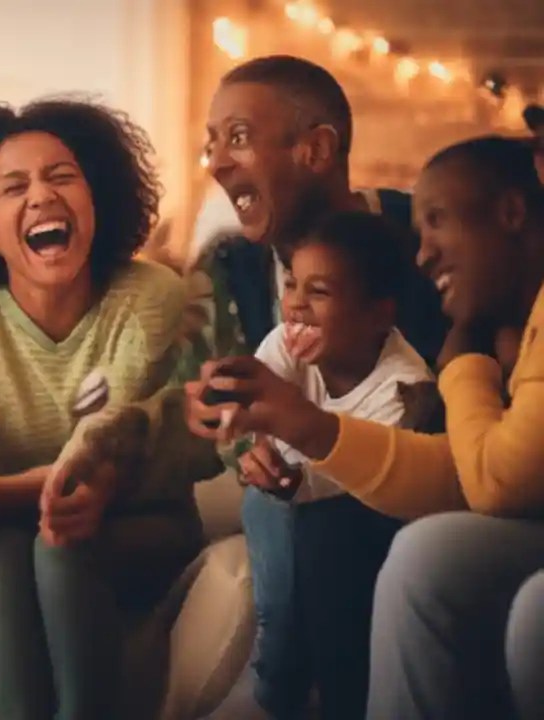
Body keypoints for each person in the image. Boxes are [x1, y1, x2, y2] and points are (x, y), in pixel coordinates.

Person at [185, 136, 544, 720]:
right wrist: (248, 416)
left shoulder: (416, 380)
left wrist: (463, 361)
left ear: (510, 212)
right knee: (422, 551)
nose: (424, 256)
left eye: (437, 222)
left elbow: (496, 482)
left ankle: (282, 688)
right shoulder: (513, 330)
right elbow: (462, 473)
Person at [0, 98, 214, 720]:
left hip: (137, 523)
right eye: (14, 187)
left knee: (59, 548)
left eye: (62, 177)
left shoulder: (152, 295)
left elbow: (110, 446)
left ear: (96, 199)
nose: (41, 196)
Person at [193, 54, 449, 720]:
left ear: (316, 149)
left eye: (237, 137)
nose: (215, 163)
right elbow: (218, 401)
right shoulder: (228, 266)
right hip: (280, 476)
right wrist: (232, 436)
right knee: (265, 504)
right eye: (211, 143)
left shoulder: (423, 236)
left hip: (397, 469)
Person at [219, 211, 433, 719]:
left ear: (378, 315)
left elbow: (356, 497)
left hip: (353, 522)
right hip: (282, 505)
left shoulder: (403, 393)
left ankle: (287, 687)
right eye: (291, 283)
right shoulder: (286, 344)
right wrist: (259, 455)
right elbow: (254, 422)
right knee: (268, 511)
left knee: (315, 531)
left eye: (319, 292)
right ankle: (277, 680)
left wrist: (293, 479)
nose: (295, 304)